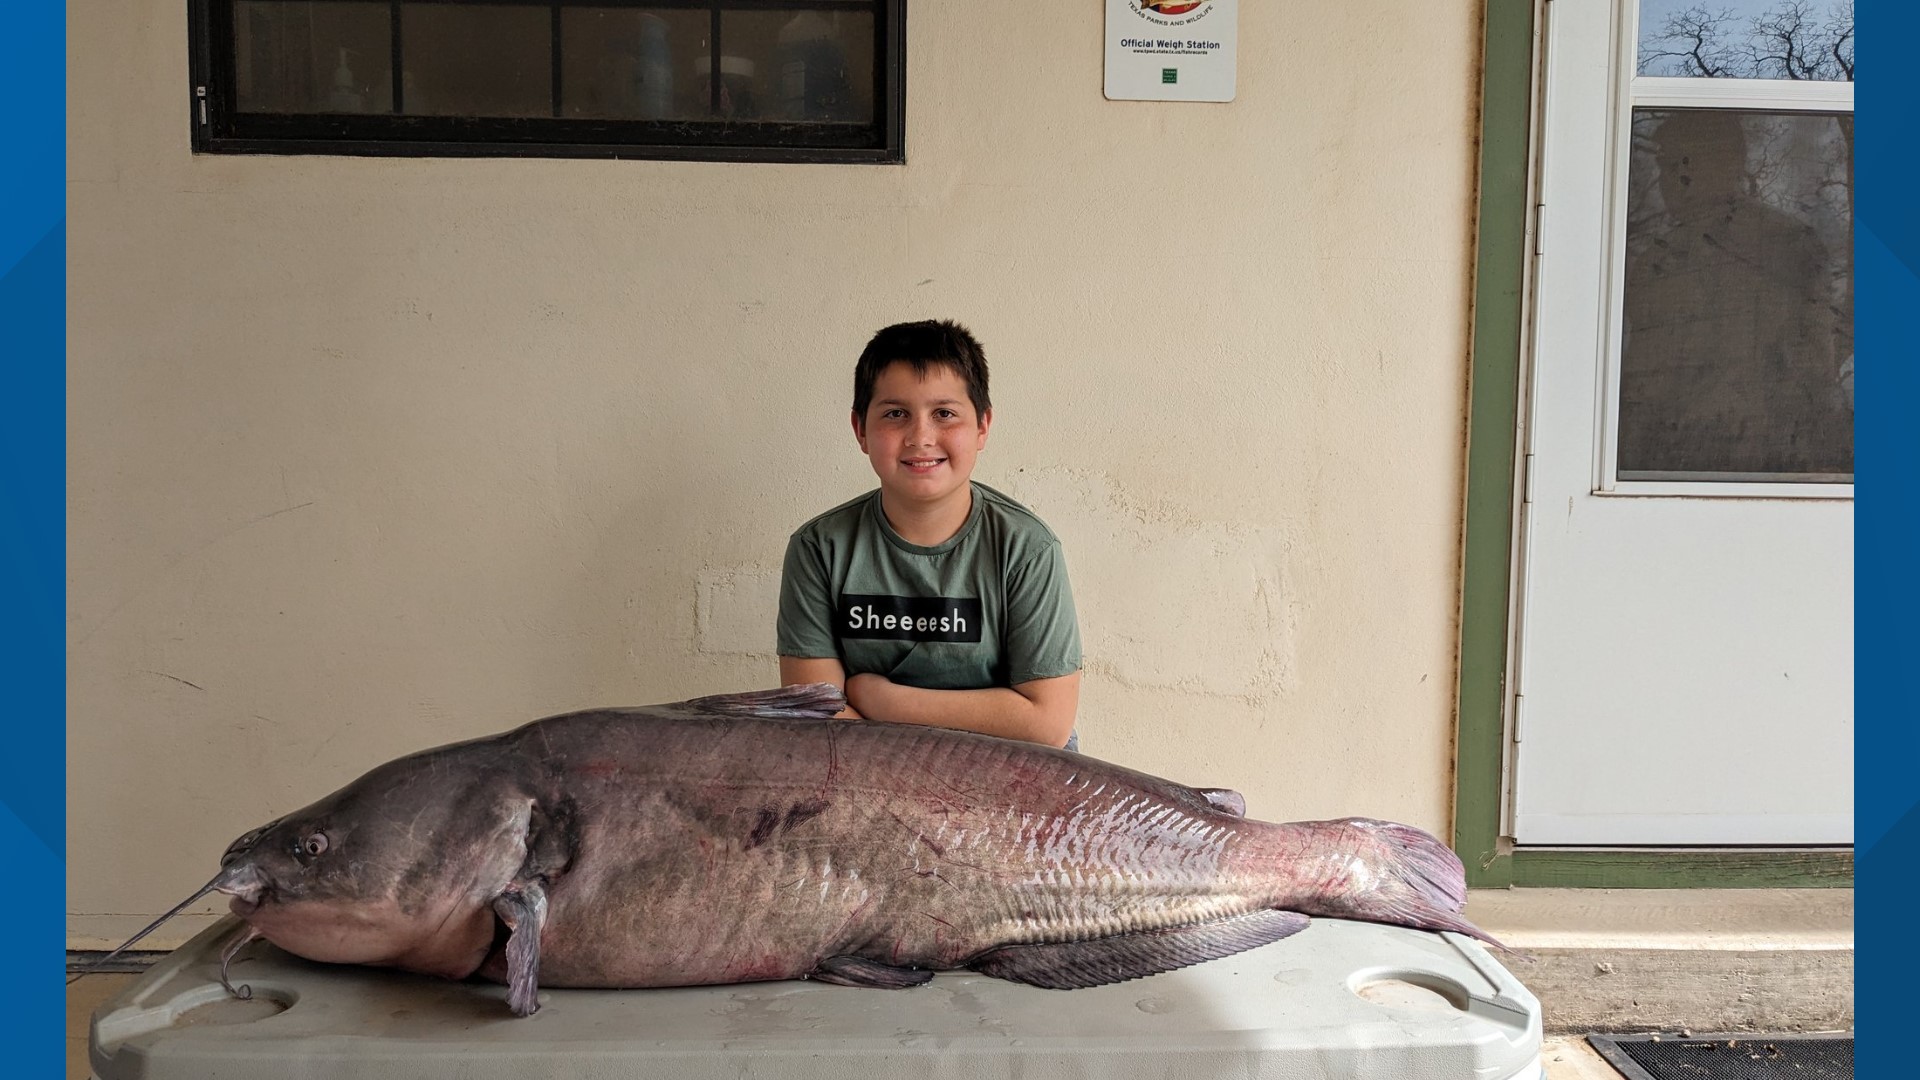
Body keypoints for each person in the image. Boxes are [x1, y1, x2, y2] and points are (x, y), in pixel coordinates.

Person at [776, 319, 1082, 749]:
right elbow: (817, 718)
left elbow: (1047, 724)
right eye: (895, 414)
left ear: (982, 426)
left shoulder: (1027, 548)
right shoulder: (818, 549)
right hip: (864, 768)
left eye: (944, 414)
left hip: (1009, 769)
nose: (920, 437)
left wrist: (884, 700)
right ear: (860, 429)